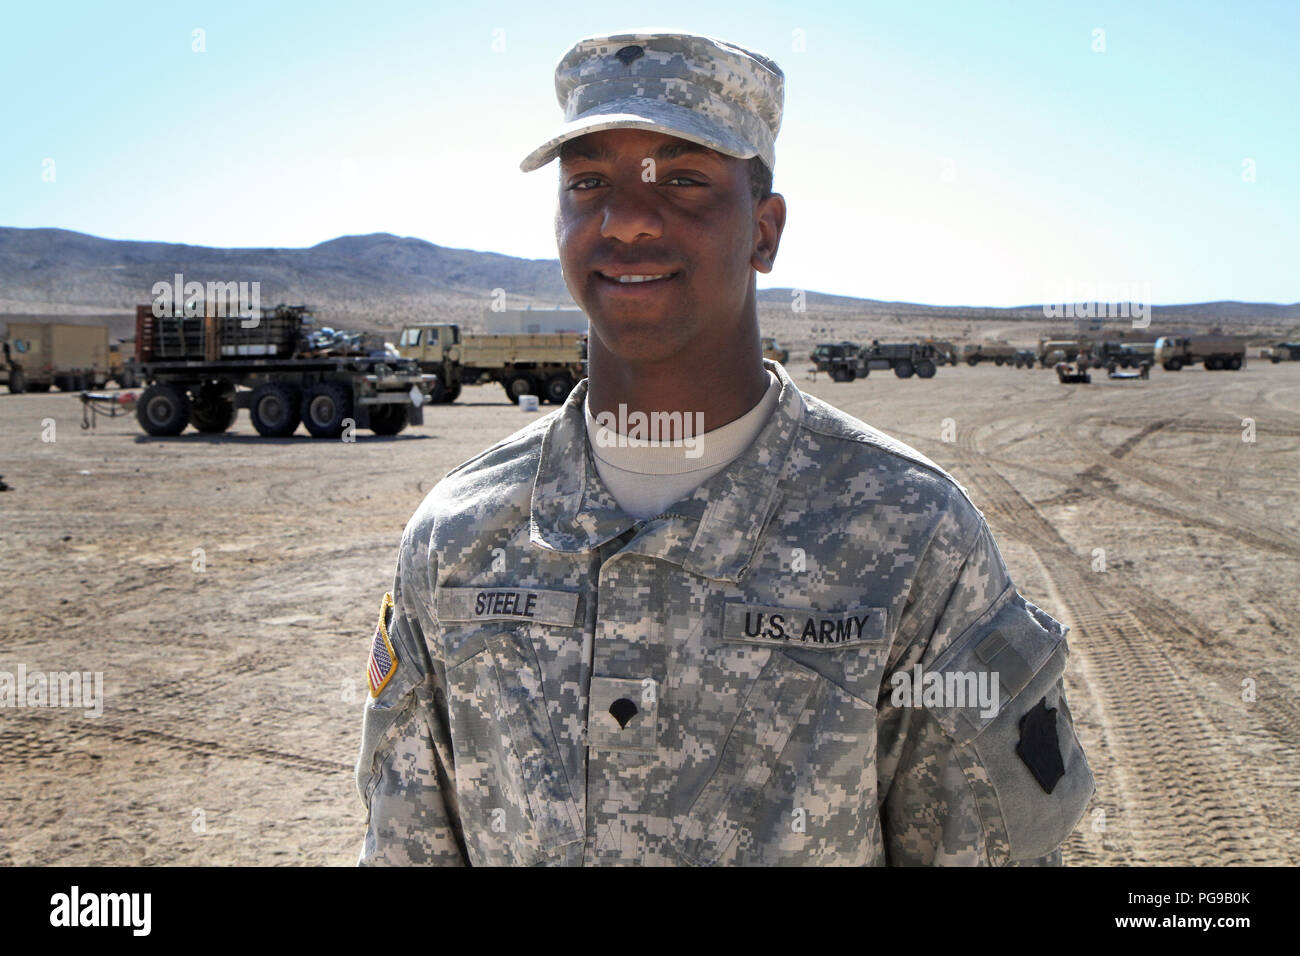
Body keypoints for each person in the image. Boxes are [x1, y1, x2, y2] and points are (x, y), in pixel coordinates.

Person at [355, 29, 1094, 866]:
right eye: (589, 181)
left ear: (765, 231)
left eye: (684, 180)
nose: (627, 217)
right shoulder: (456, 539)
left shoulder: (912, 535)